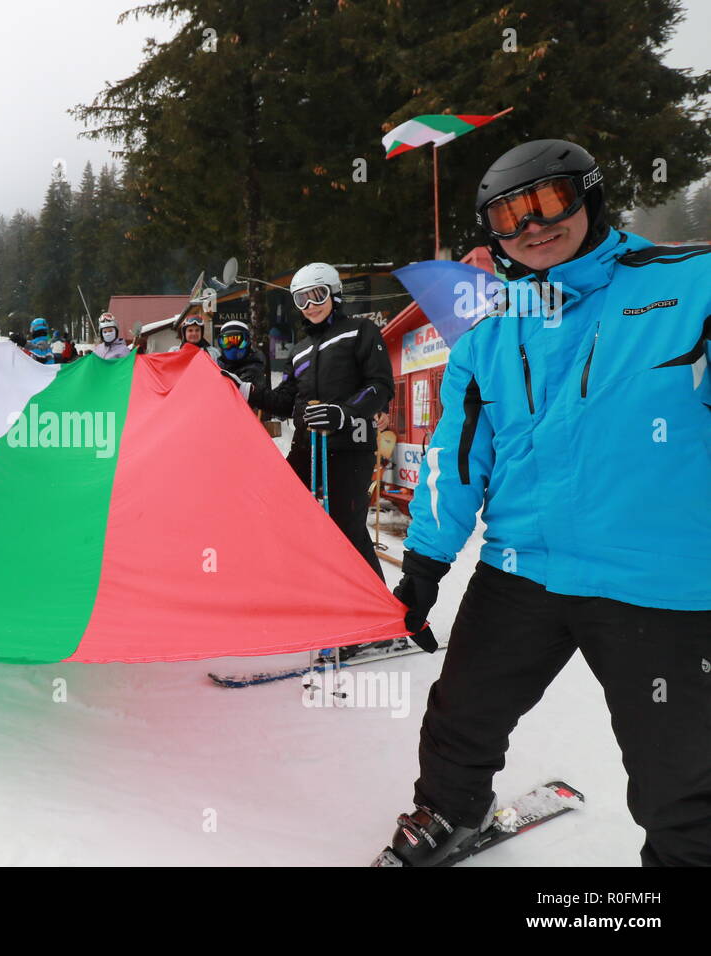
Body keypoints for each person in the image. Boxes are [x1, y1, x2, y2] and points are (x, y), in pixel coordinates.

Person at [377, 138, 711, 868]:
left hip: (658, 580)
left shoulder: (693, 286)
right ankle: (448, 812)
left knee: (679, 773)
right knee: (462, 714)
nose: (532, 225)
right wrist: (426, 565)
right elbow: (455, 460)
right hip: (522, 569)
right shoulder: (491, 330)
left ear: (590, 197)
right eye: (507, 215)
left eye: (550, 201)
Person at [241, 263, 393, 580]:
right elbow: (284, 401)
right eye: (301, 300)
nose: (310, 306)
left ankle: (378, 617)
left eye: (317, 296)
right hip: (306, 447)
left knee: (347, 530)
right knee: (279, 510)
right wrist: (245, 390)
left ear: (335, 293)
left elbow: (379, 387)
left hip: (349, 447)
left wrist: (343, 413)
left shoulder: (360, 331)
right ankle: (305, 591)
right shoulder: (299, 351)